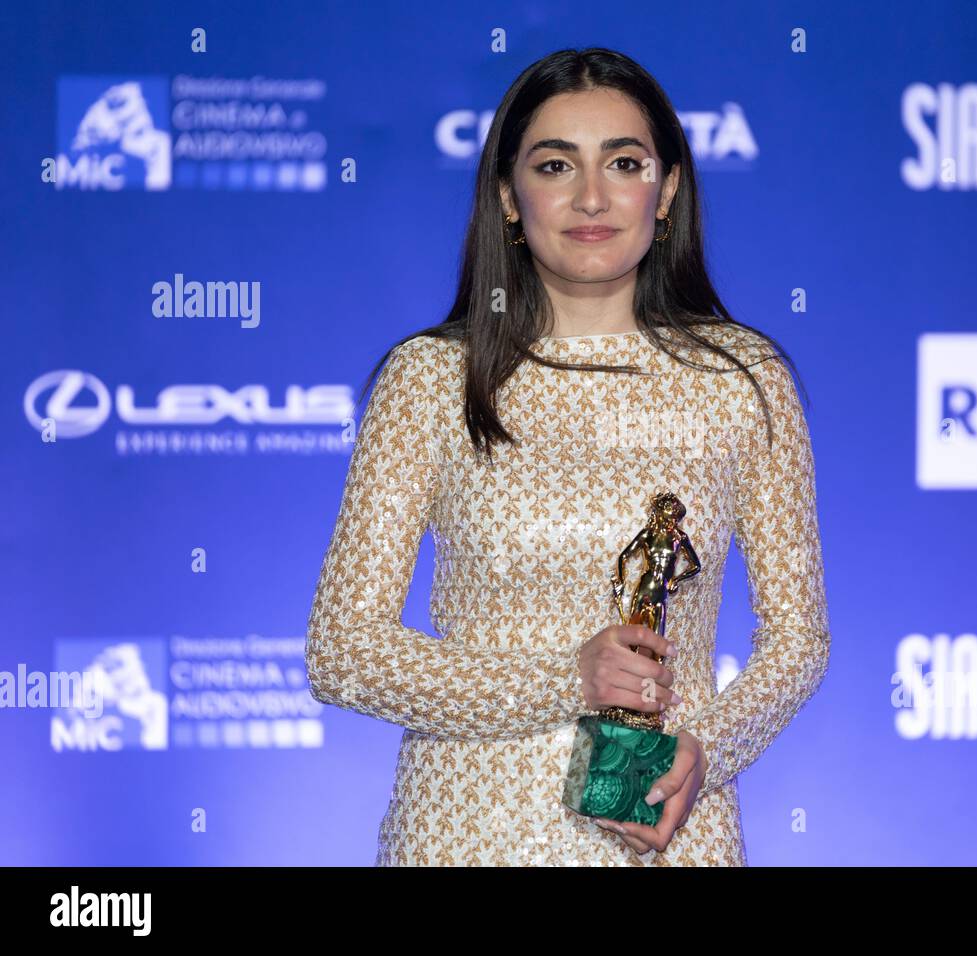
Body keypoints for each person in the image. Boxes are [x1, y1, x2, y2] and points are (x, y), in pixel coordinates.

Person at [305, 47, 830, 866]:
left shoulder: (743, 380)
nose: (592, 196)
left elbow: (799, 639)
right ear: (510, 198)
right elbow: (342, 653)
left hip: (662, 831)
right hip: (462, 835)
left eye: (624, 162)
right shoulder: (432, 378)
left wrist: (706, 754)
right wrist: (568, 679)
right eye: (556, 165)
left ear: (670, 191)